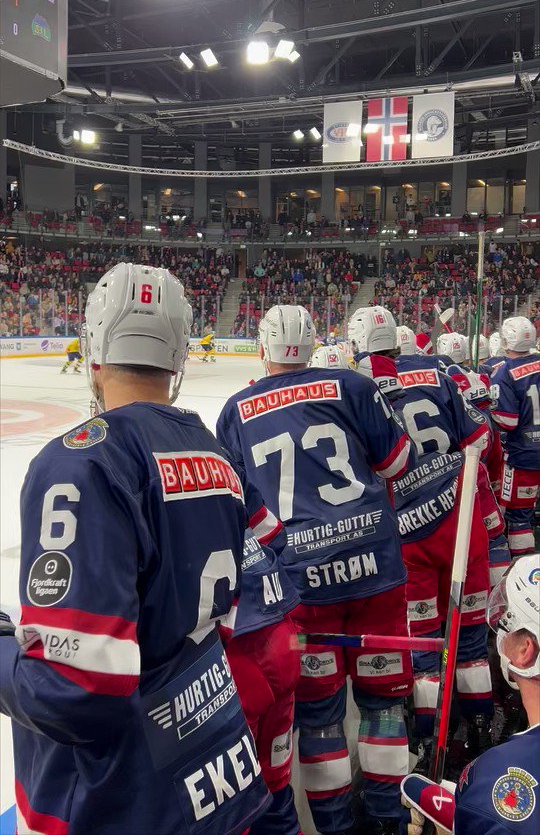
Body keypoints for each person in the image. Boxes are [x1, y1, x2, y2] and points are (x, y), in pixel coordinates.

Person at [0, 263, 269, 835]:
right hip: (214, 767)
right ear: (178, 360)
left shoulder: (81, 463)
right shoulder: (217, 457)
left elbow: (72, 691)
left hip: (114, 801)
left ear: (93, 351)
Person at [217, 305, 413, 835]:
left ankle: (333, 826)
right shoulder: (351, 385)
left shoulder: (236, 410)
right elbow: (397, 463)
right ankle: (388, 820)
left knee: (320, 717)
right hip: (375, 568)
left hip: (303, 582)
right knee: (382, 705)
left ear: (263, 348)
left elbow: (240, 506)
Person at [350, 307, 493, 773]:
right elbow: (479, 438)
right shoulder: (437, 370)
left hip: (408, 536)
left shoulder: (355, 389)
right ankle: (479, 735)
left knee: (427, 645)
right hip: (460, 519)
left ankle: (432, 742)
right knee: (470, 637)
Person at [400, 554, 540, 835]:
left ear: (526, 652)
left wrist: (476, 811)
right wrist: (466, 810)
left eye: (506, 622)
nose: (499, 631)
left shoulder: (499, 777)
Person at [220, 481, 301, 835]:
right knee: (276, 786)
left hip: (231, 656)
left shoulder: (132, 471)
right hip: (281, 632)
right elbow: (273, 535)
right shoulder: (216, 457)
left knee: (236, 810)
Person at [491, 316, 539, 556]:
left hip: (524, 456)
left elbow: (507, 421)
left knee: (519, 516)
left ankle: (524, 571)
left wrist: (491, 408)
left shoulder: (504, 373)